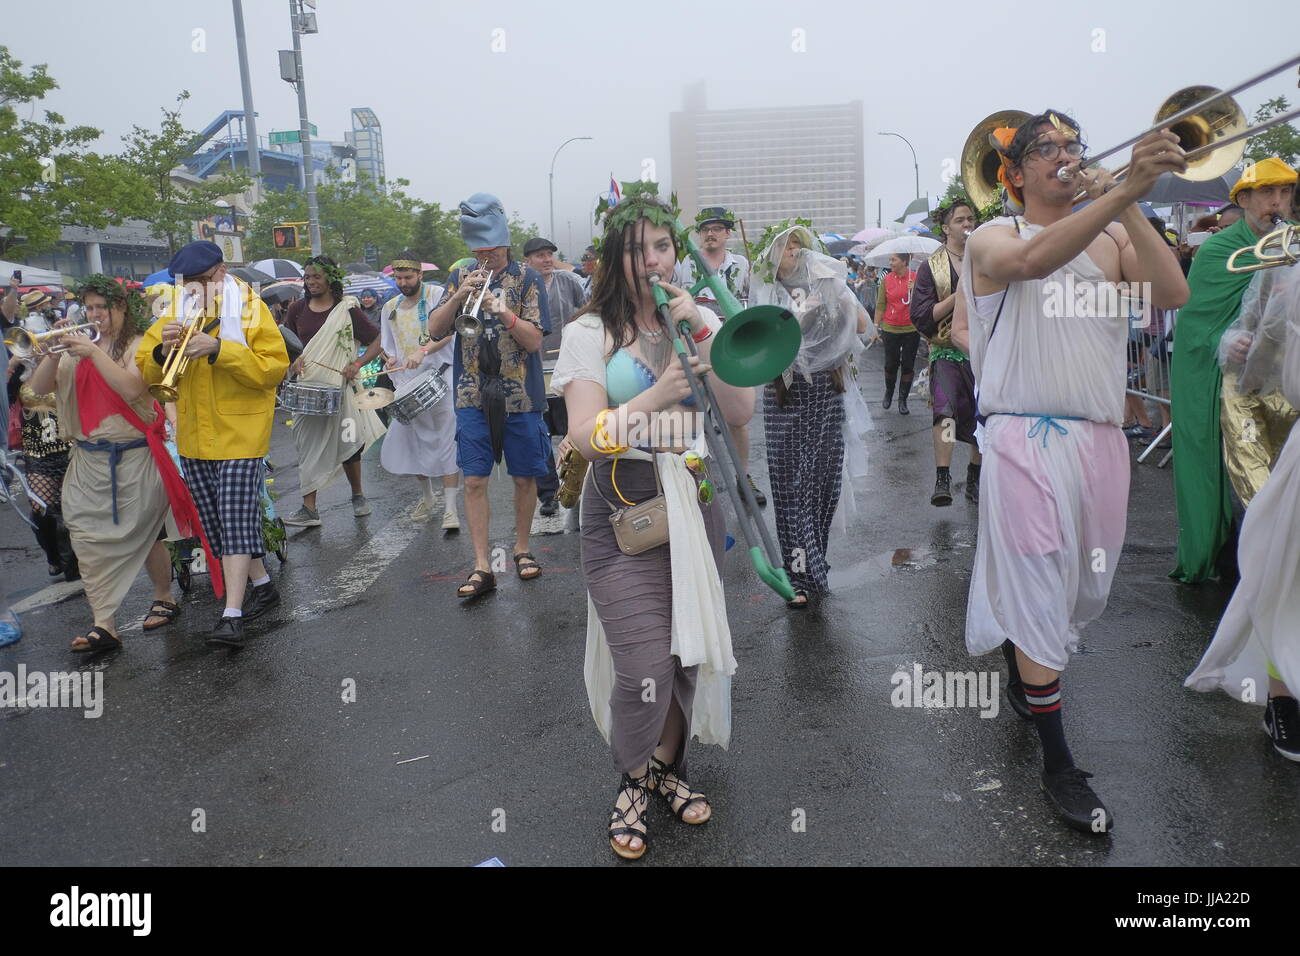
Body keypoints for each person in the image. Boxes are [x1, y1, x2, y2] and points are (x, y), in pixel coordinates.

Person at [951, 110, 1189, 833]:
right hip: (1024, 437)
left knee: (1079, 592)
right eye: (1045, 150)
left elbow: (1170, 294)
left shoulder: (1114, 234)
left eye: (1072, 147)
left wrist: (1131, 198)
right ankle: (1060, 762)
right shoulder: (996, 238)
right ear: (1013, 175)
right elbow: (1033, 265)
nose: (1064, 157)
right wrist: (1119, 195)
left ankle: (1030, 664)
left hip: (1100, 442)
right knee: (1038, 585)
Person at [550, 181, 753, 860]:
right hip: (620, 504)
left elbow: (740, 411)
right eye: (636, 250)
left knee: (683, 651)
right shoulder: (587, 333)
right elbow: (582, 435)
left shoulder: (694, 323)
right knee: (643, 662)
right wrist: (657, 396)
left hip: (692, 499)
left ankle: (668, 771)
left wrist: (701, 327)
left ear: (676, 252)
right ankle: (632, 782)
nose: (652, 261)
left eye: (662, 246)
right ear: (616, 259)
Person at [28, 275, 214, 653]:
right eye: (89, 308)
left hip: (134, 456)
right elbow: (38, 390)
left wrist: (92, 353)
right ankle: (104, 624)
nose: (95, 315)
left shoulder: (138, 345)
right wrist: (51, 351)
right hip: (85, 459)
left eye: (102, 308)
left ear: (121, 308)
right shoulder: (74, 347)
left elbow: (132, 389)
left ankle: (164, 595)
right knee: (85, 540)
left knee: (143, 534)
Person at [138, 241, 289, 646]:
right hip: (193, 435)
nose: (191, 291)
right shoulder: (178, 308)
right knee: (218, 525)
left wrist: (220, 349)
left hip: (241, 433)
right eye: (185, 284)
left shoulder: (251, 309)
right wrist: (160, 349)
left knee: (236, 518)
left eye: (199, 282)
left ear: (221, 272)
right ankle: (264, 586)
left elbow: (273, 369)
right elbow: (144, 363)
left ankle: (232, 614)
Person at [1186, 259, 1300, 759]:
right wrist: (1238, 341)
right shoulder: (1287, 276)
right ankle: (1284, 703)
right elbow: (1260, 370)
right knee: (1286, 579)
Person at [1170, 157, 1298, 584]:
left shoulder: (1293, 245)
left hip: (1284, 383)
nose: (1277, 202)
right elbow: (1194, 320)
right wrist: (1224, 339)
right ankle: (1237, 560)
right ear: (1243, 199)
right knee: (1241, 473)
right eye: (1267, 192)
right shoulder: (1220, 250)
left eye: (1284, 192)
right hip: (1228, 382)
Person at [426, 193, 550, 598]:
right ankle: (481, 564)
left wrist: (502, 310)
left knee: (524, 475)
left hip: (521, 394)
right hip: (471, 392)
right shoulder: (460, 274)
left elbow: (534, 342)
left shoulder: (529, 278)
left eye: (491, 250)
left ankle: (522, 549)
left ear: (505, 243)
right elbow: (434, 330)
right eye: (478, 250)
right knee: (475, 478)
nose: (485, 257)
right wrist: (462, 295)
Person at [750, 220, 870, 607]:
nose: (795, 251)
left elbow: (865, 326)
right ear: (774, 255)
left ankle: (816, 560)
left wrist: (838, 292)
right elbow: (768, 341)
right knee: (790, 488)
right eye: (788, 246)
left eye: (800, 245)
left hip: (825, 391)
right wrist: (802, 309)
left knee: (823, 483)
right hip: (784, 393)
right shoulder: (767, 291)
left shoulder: (826, 281)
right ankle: (799, 575)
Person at [280, 256, 386, 527]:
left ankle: (358, 494)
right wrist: (293, 361)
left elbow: (377, 339)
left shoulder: (346, 309)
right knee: (306, 446)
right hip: (307, 388)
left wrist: (358, 363)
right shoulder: (296, 310)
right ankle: (309, 508)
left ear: (330, 279)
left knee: (349, 442)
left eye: (316, 276)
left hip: (342, 387)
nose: (311, 282)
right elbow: (286, 345)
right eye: (307, 277)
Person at [673, 207, 766, 508]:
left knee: (737, 419)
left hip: (731, 349)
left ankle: (744, 477)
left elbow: (755, 305)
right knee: (692, 417)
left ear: (728, 233)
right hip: (694, 350)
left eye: (717, 228)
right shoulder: (685, 264)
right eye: (705, 229)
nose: (710, 233)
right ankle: (697, 481)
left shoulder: (742, 265)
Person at [379, 250, 460, 530]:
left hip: (441, 378)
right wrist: (390, 358)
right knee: (413, 443)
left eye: (408, 277)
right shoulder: (389, 307)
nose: (403, 282)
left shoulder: (437, 295)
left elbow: (449, 331)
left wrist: (423, 351)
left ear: (420, 275)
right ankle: (427, 498)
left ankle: (450, 509)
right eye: (398, 278)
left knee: (446, 442)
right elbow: (388, 347)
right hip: (407, 384)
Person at [911, 197, 982, 505]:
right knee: (946, 411)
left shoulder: (987, 256)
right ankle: (943, 478)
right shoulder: (932, 267)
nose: (967, 224)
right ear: (945, 228)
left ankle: (975, 479)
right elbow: (922, 315)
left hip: (983, 350)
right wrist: (960, 292)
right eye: (960, 220)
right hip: (946, 351)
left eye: (970, 219)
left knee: (984, 416)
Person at [524, 236, 590, 516]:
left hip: (569, 364)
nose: (547, 259)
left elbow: (588, 311)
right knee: (539, 434)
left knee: (574, 428)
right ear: (528, 260)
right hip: (534, 368)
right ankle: (548, 493)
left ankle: (580, 486)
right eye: (540, 255)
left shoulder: (569, 281)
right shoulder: (521, 284)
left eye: (550, 254)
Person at [7, 350, 79, 580]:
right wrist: (13, 363)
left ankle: (76, 561)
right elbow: (6, 396)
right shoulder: (20, 375)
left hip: (67, 448)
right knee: (42, 510)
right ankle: (53, 557)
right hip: (37, 454)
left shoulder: (62, 367)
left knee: (74, 508)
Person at [875, 252, 919, 413]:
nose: (890, 262)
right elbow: (881, 304)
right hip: (890, 328)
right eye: (890, 259)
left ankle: (903, 400)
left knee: (908, 365)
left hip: (911, 329)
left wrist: (915, 290)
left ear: (904, 261)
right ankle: (889, 392)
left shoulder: (915, 277)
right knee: (890, 364)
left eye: (894, 259)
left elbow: (922, 303)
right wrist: (875, 326)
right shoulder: (886, 279)